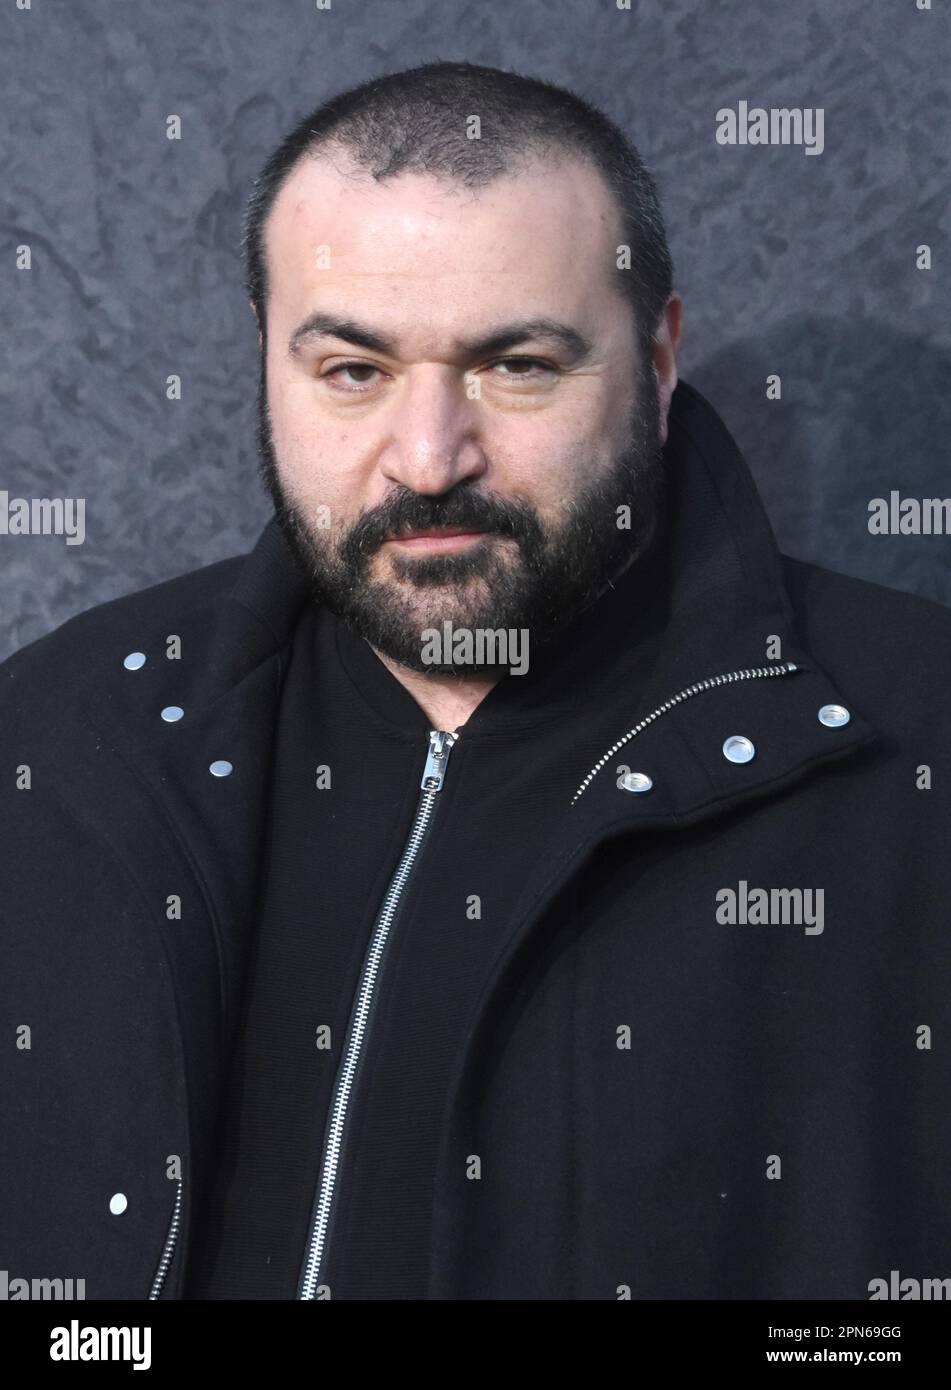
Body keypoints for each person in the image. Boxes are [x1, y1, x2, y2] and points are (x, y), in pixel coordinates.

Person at [2, 60, 950, 1303]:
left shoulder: (914, 750)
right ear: (265, 362)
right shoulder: (61, 735)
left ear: (658, 362)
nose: (429, 458)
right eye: (354, 370)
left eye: (518, 366)